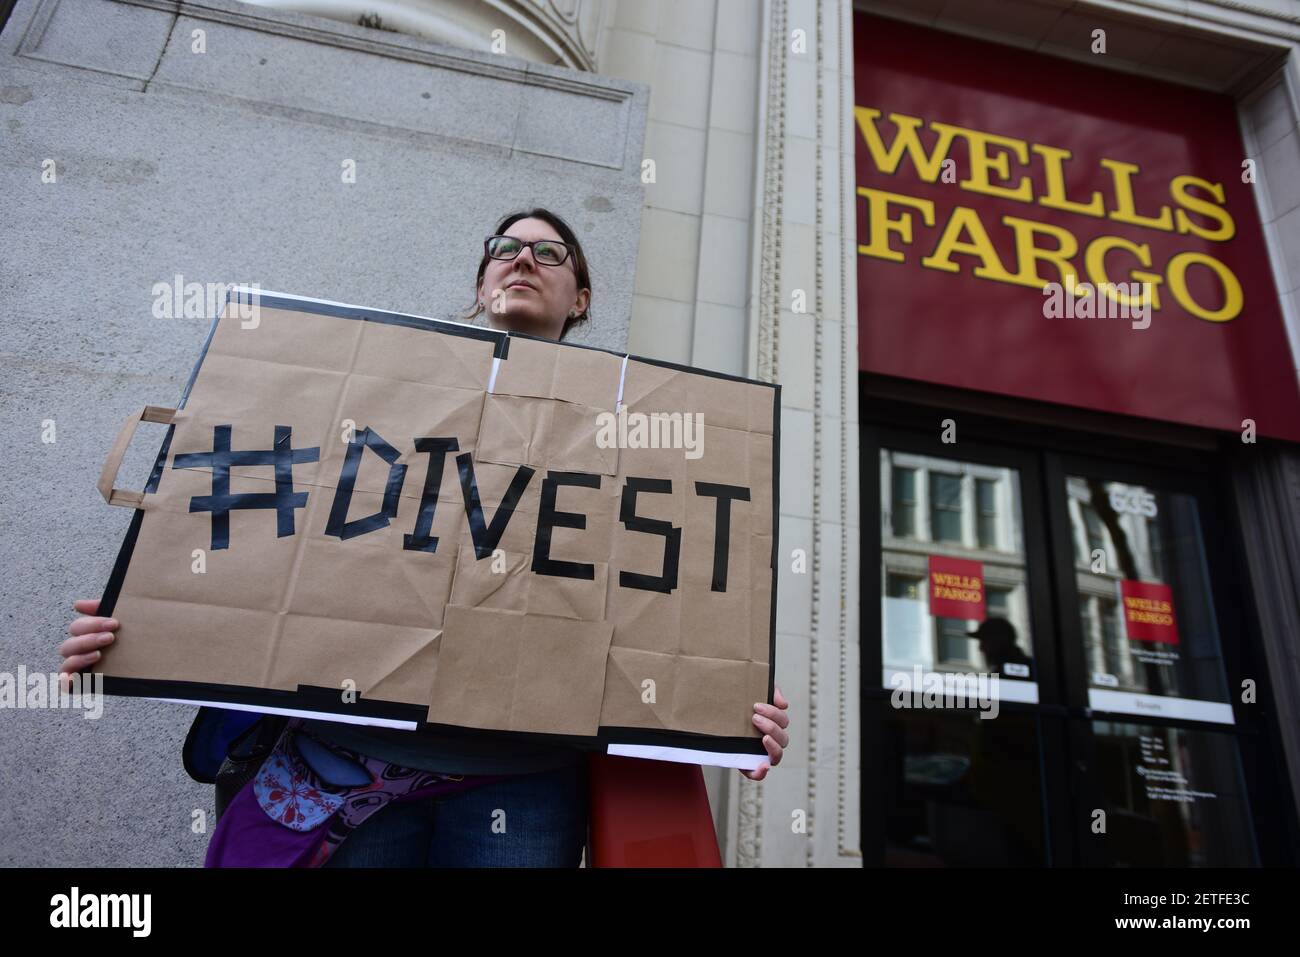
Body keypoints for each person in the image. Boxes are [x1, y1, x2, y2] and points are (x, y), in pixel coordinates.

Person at [59, 207, 791, 867]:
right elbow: (270, 528)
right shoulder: (370, 393)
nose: (524, 259)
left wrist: (727, 703)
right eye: (505, 247)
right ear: (481, 282)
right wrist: (145, 616)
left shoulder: (647, 442)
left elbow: (671, 585)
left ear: (583, 300)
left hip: (522, 786)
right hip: (340, 760)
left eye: (550, 253)